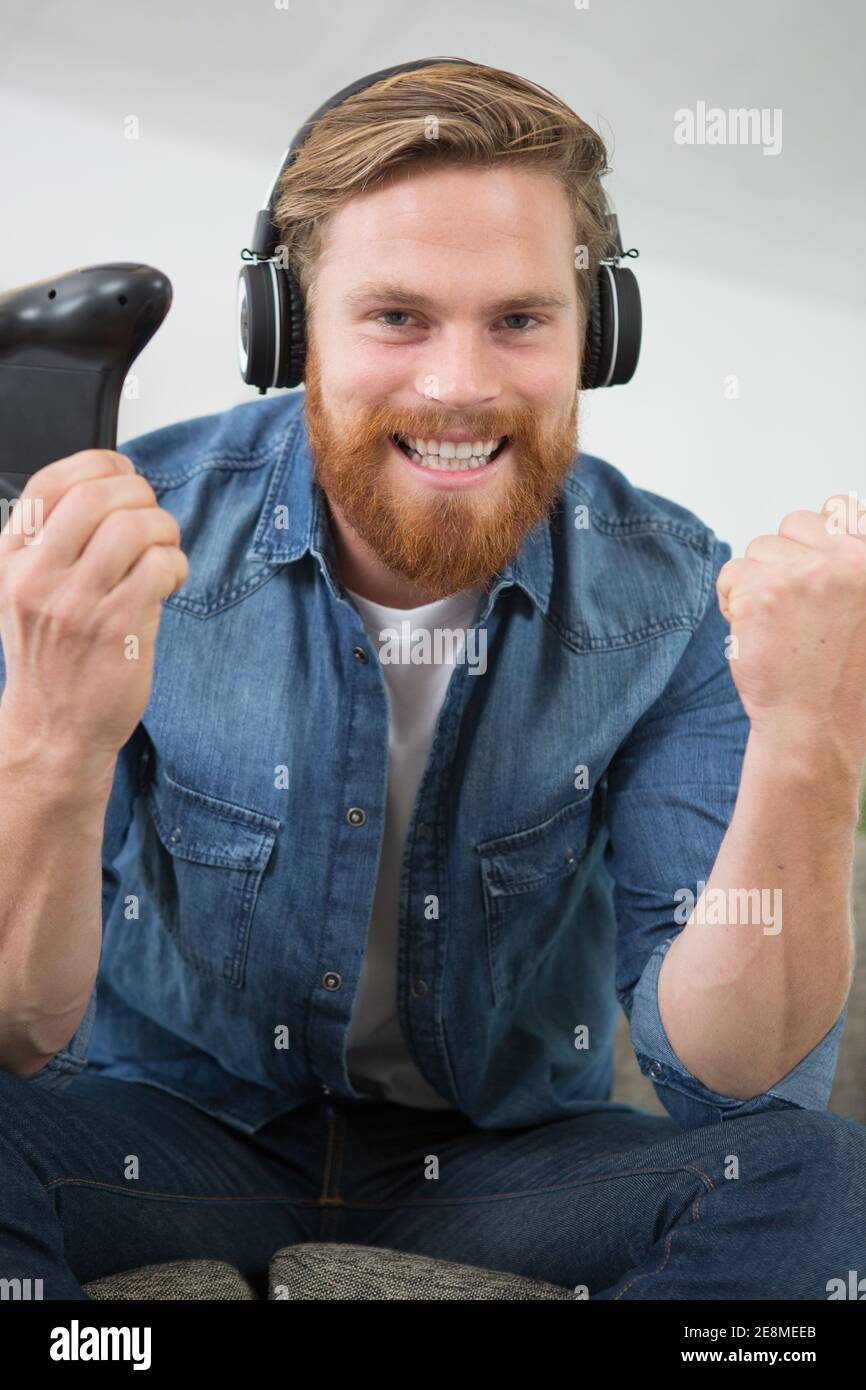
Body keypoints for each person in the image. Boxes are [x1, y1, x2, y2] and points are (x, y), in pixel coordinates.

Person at [0, 60, 864, 1302]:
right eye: (396, 316)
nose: (458, 384)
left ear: (595, 337)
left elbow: (727, 1080)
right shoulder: (118, 551)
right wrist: (52, 740)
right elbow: (20, 1036)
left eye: (518, 320)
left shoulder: (676, 599)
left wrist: (811, 741)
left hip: (503, 1166)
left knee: (822, 1181)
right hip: (173, 1137)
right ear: (289, 331)